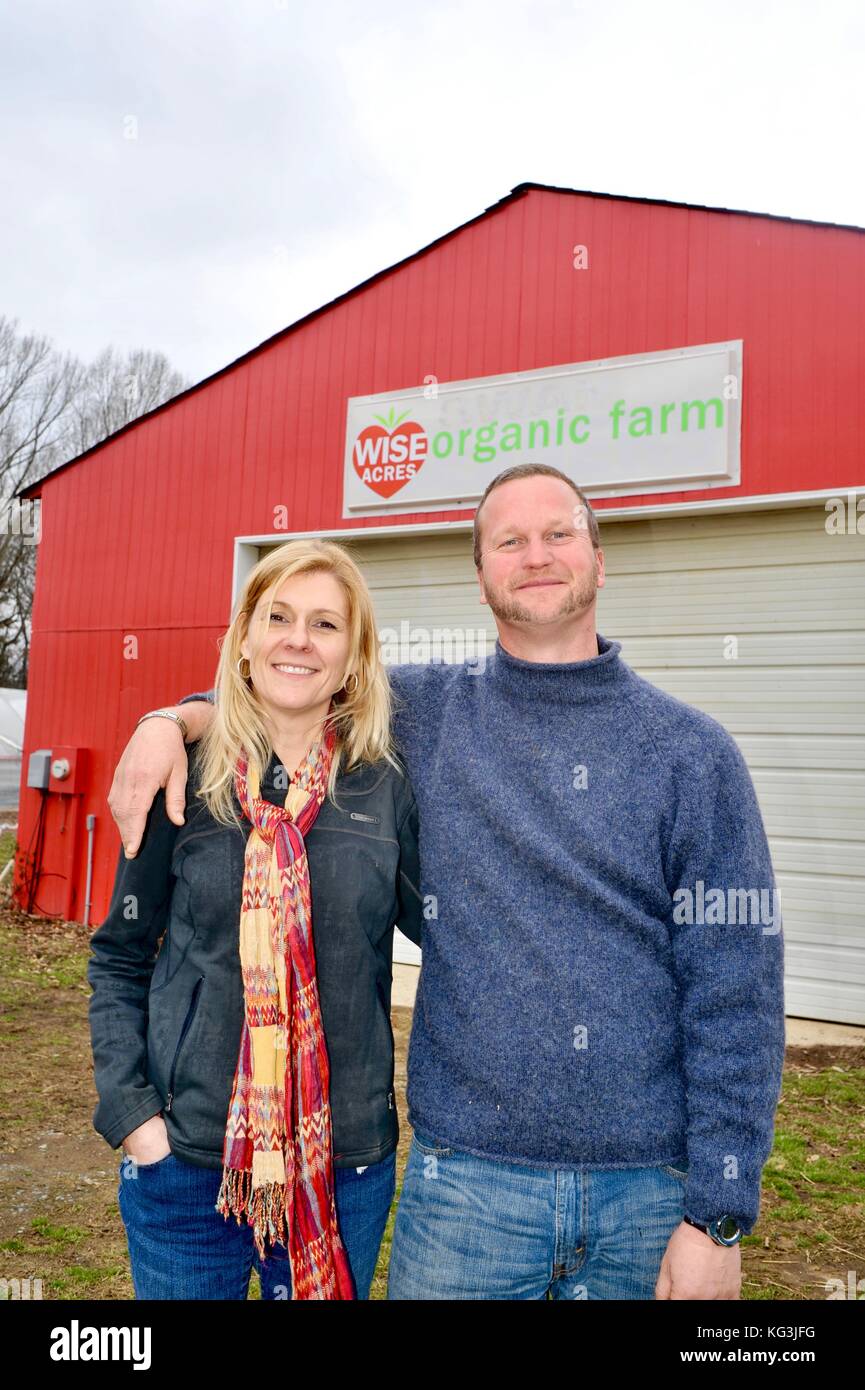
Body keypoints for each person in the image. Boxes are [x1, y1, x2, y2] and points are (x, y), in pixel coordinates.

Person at [107, 464, 786, 1301]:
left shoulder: (693, 756)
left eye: (557, 534)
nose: (535, 555)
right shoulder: (422, 713)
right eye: (509, 540)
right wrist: (170, 720)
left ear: (599, 561)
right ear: (480, 578)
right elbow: (284, 690)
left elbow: (737, 992)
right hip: (464, 1189)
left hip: (646, 1191)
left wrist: (718, 1214)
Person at [88, 539, 422, 1300]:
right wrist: (135, 1116)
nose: (297, 639)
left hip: (339, 1165)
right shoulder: (185, 778)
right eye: (276, 616)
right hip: (186, 1164)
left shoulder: (384, 790)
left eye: (325, 624)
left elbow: (453, 935)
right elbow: (119, 956)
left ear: (354, 658)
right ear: (243, 642)